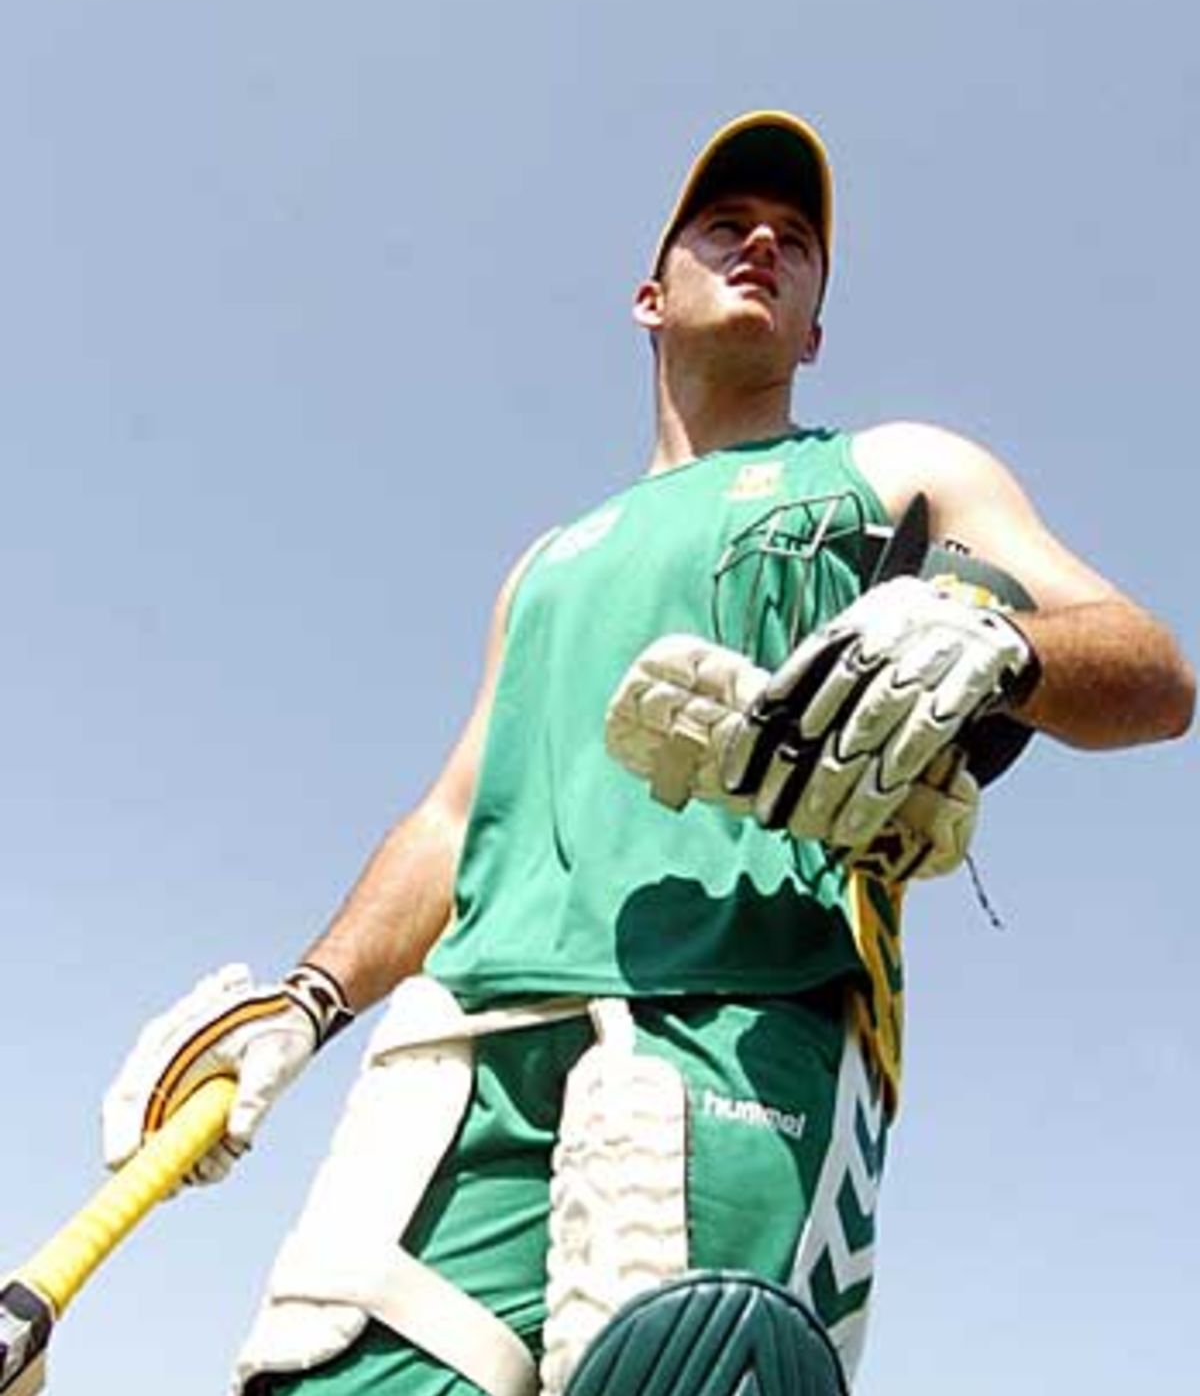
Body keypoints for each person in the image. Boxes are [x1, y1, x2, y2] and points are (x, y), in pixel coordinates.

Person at [102, 112, 1194, 1396]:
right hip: (465, 1056)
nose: (765, 246)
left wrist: (1004, 650)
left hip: (734, 1027)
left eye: (795, 243)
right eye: (727, 226)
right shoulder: (546, 564)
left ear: (816, 332)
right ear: (649, 296)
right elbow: (457, 822)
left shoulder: (886, 467)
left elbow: (1157, 674)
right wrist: (305, 1001)